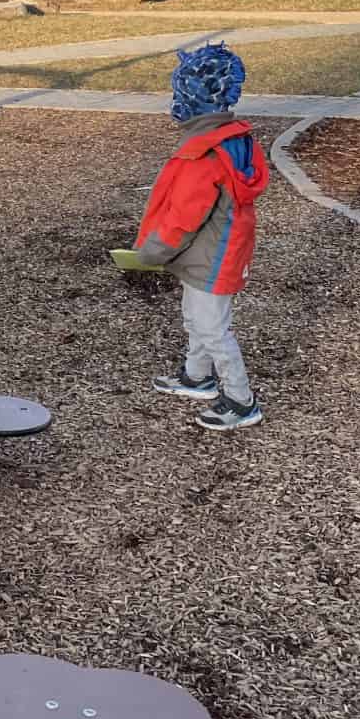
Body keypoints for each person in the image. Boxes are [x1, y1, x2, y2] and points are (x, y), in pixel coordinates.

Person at [134, 42, 270, 431]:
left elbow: (183, 217)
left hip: (213, 256)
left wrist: (152, 252)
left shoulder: (203, 156)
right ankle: (197, 377)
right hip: (219, 251)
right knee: (197, 317)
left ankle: (241, 400)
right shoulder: (233, 139)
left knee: (212, 326)